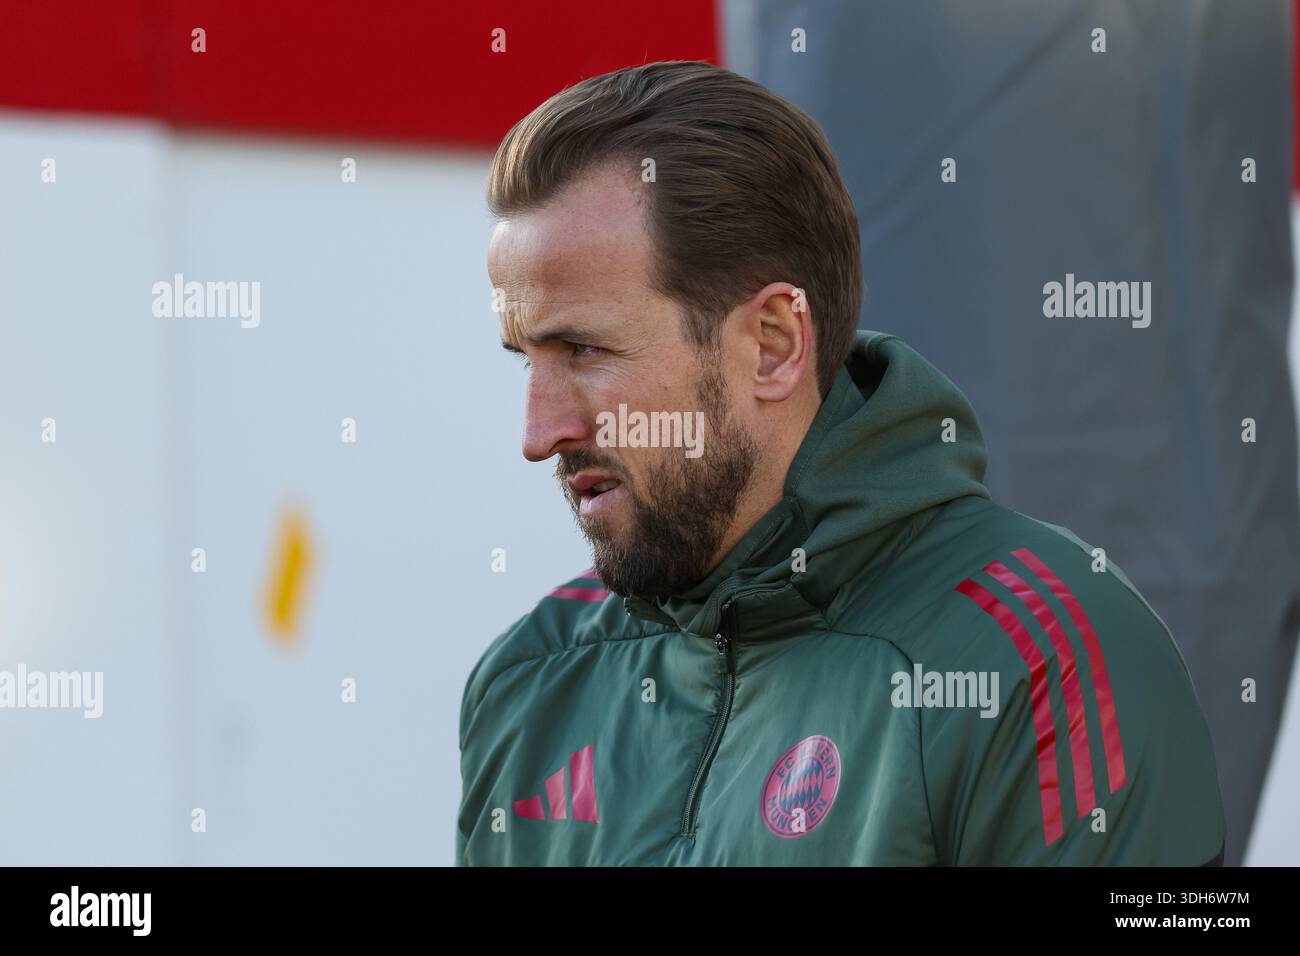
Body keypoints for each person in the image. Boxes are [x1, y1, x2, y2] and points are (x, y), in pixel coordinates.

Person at [457, 61, 1224, 865]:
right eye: (526, 360)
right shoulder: (531, 681)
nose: (539, 432)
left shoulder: (1044, 661)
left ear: (772, 345)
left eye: (585, 349)